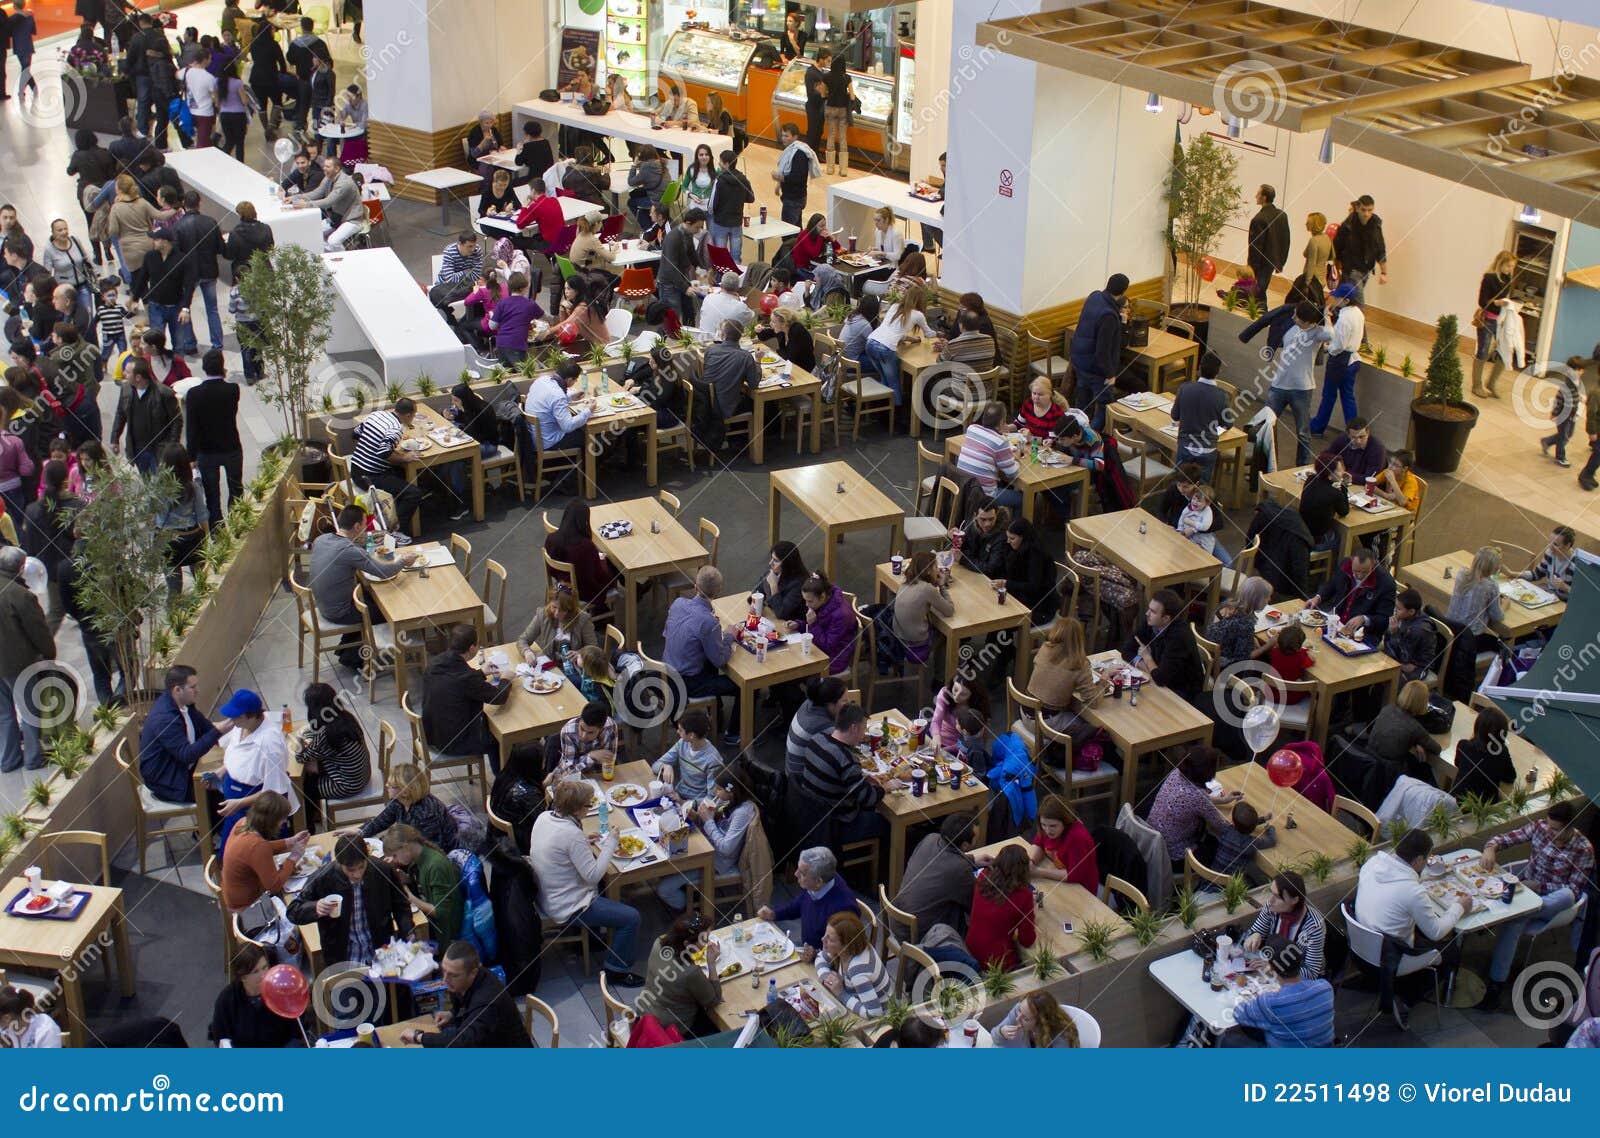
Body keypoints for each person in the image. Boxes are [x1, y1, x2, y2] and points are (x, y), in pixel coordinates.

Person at [1477, 800, 1595, 1010]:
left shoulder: (1583, 849)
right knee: (1515, 923)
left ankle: (1515, 913)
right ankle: (1496, 987)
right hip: (1526, 896)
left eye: (1556, 829)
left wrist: (1539, 886)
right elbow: (1505, 838)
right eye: (1549, 826)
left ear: (1570, 828)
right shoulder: (1540, 827)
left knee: (1566, 895)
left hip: (1556, 903)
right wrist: (1490, 848)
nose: (1550, 832)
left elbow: (1575, 889)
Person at [528, 779, 643, 986]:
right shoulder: (571, 835)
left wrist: (583, 841)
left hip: (545, 893)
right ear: (577, 809)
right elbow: (593, 876)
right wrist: (611, 844)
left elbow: (560, 848)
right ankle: (616, 970)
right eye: (588, 805)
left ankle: (596, 938)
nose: (590, 808)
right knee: (631, 918)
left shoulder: (544, 818)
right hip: (568, 905)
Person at [1355, 828, 1468, 1028]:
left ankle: (1404, 987)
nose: (1425, 864)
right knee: (1451, 951)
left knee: (1421, 930)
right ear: (1417, 860)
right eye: (1425, 860)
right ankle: (1408, 1000)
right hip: (1390, 957)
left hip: (1360, 946)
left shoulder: (1372, 864)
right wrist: (1459, 907)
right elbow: (1436, 931)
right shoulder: (1412, 891)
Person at [308, 504, 415, 669]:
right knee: (390, 608)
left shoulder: (321, 539)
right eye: (364, 524)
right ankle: (355, 656)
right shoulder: (348, 549)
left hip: (323, 604)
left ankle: (347, 649)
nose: (366, 528)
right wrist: (403, 561)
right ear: (357, 526)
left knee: (372, 595)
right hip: (340, 612)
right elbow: (383, 572)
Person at [285, 833, 413, 967]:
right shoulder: (323, 878)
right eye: (351, 870)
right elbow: (293, 911)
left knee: (396, 985)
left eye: (361, 867)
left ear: (367, 858)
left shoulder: (381, 870)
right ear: (339, 863)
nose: (357, 874)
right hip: (344, 956)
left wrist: (407, 932)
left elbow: (401, 905)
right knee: (353, 987)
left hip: (382, 950)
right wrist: (315, 907)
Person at [794, 702, 901, 844]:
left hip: (811, 814)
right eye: (863, 729)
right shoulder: (847, 761)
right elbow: (868, 799)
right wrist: (886, 787)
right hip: (835, 824)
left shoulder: (816, 739)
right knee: (890, 823)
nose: (864, 735)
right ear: (853, 728)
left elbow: (840, 778)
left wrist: (863, 780)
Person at [659, 767, 759, 912]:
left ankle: (688, 909)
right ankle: (690, 891)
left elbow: (726, 848)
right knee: (667, 853)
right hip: (706, 846)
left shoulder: (743, 812)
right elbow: (711, 824)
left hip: (717, 861)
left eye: (718, 788)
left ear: (731, 791)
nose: (714, 791)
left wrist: (708, 821)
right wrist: (691, 811)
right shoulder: (725, 800)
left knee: (664, 889)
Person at [213, 687, 296, 855]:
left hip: (257, 811)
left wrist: (239, 803)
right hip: (235, 807)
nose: (230, 719)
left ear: (248, 716)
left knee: (254, 856)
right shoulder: (240, 727)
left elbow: (274, 790)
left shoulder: (270, 743)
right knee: (229, 854)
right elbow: (234, 755)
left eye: (234, 716)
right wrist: (220, 772)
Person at [421, 623, 510, 771]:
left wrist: (481, 673)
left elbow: (456, 681)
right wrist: (506, 680)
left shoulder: (435, 662)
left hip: (431, 733)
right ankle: (502, 779)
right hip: (453, 742)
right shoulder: (467, 678)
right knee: (498, 738)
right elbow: (499, 697)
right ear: (472, 648)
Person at [1253, 300, 1331, 466]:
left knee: (1303, 432)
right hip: (1279, 384)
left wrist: (1327, 317)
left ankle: (1302, 467)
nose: (1294, 318)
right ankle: (1262, 466)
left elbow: (1332, 335)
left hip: (1302, 389)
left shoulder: (1317, 333)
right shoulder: (1290, 326)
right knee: (1265, 426)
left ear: (1308, 322)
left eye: (1298, 317)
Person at [138, 664, 229, 803]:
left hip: (184, 768)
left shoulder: (185, 704)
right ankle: (219, 824)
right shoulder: (164, 718)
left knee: (228, 775)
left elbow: (207, 728)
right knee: (226, 788)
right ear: (177, 690)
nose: (197, 690)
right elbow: (186, 754)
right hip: (171, 783)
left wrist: (233, 724)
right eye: (192, 687)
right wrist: (218, 731)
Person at [1223, 938, 1334, 1048]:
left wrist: (1254, 1000)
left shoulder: (1270, 1002)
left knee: (1227, 1040)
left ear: (1270, 967)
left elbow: (1238, 1014)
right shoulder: (1325, 987)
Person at [893, 811, 989, 933]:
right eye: (976, 839)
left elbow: (943, 859)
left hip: (898, 919)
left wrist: (972, 859)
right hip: (920, 934)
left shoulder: (930, 838)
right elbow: (974, 904)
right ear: (965, 845)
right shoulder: (960, 868)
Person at [348, 395, 431, 532]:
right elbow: (383, 453)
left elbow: (355, 434)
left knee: (401, 473)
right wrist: (405, 458)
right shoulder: (395, 429)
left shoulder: (376, 415)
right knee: (413, 493)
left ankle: (393, 512)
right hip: (370, 477)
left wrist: (369, 448)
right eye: (413, 415)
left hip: (355, 468)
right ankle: (396, 531)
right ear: (409, 415)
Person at [634, 917, 726, 1037]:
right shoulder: (690, 972)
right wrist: (711, 963)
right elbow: (714, 1000)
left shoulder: (659, 942)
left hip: (645, 1011)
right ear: (687, 944)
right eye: (704, 939)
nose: (708, 942)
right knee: (722, 1023)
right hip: (671, 1028)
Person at [182, 349, 243, 525]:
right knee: (236, 489)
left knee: (212, 496)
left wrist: (191, 456)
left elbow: (192, 428)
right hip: (230, 446)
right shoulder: (232, 390)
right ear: (222, 368)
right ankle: (238, 522)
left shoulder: (194, 394)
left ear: (204, 368)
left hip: (206, 452)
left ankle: (218, 530)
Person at [1148, 744, 1239, 862]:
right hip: (1172, 855)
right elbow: (1222, 827)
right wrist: (1247, 822)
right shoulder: (1198, 796)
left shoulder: (1176, 773)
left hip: (1152, 841)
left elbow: (1189, 802)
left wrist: (1223, 800)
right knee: (1218, 846)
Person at [219, 791, 308, 910]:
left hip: (232, 895)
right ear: (272, 821)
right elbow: (274, 886)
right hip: (248, 906)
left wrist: (290, 841)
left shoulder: (243, 822)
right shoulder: (257, 846)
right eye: (282, 819)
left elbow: (260, 849)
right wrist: (294, 857)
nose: (284, 823)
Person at [382, 823, 464, 946]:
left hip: (445, 934)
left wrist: (411, 898)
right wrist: (407, 879)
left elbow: (442, 912)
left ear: (405, 847)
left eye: (394, 855)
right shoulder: (419, 857)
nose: (394, 860)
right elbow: (424, 884)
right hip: (433, 923)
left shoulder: (435, 866)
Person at [1119, 589, 1206, 702]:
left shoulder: (1179, 637)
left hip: (1181, 693)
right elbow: (1126, 651)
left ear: (1166, 618)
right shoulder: (1151, 621)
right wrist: (1148, 667)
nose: (1147, 613)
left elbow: (1161, 679)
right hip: (1158, 681)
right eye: (1149, 609)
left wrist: (1147, 657)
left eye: (1153, 611)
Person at [298, 681, 371, 812]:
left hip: (348, 785)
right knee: (312, 768)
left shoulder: (328, 734)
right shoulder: (346, 717)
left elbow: (302, 757)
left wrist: (300, 741)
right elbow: (314, 737)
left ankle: (308, 825)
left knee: (303, 788)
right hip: (362, 775)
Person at [209, 944, 301, 1047]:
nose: (263, 975)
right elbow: (220, 1033)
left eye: (264, 967)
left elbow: (296, 1032)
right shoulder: (227, 999)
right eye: (255, 972)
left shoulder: (281, 990)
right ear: (243, 977)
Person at [1242, 870, 1327, 980]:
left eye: (1278, 897)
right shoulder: (1272, 907)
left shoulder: (1314, 926)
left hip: (1299, 978)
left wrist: (1274, 966)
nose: (1270, 900)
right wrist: (1255, 934)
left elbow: (1311, 973)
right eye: (1271, 893)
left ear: (1294, 900)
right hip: (1273, 968)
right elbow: (1256, 931)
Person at [1068, 273, 1127, 430]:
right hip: (1096, 368)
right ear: (1123, 292)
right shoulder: (1109, 315)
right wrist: (1110, 374)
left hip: (1079, 359)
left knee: (1083, 405)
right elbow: (1103, 350)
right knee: (1104, 407)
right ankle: (1091, 440)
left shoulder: (1094, 296)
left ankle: (1077, 437)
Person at [964, 843, 1036, 970]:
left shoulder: (984, 876)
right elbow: (1027, 940)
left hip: (971, 949)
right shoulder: (1024, 895)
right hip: (998, 962)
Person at [1308, 282, 1365, 437]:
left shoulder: (1345, 318)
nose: (1335, 299)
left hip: (1340, 360)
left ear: (1346, 301)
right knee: (1348, 397)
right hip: (1353, 359)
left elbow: (1338, 344)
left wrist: (1328, 347)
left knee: (1329, 395)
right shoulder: (1358, 313)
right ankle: (1354, 431)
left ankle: (1318, 426)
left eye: (1338, 297)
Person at [360, 763, 459, 851]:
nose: (386, 785)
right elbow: (381, 821)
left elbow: (430, 849)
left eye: (391, 785)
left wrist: (395, 855)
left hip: (438, 851)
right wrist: (359, 832)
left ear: (405, 792)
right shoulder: (398, 801)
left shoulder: (427, 813)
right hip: (409, 846)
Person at [862, 283, 931, 409]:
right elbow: (928, 333)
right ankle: (897, 412)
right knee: (894, 383)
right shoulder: (918, 315)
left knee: (884, 378)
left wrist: (912, 340)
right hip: (885, 349)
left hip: (870, 342)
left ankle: (884, 410)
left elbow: (896, 331)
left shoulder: (895, 307)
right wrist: (940, 334)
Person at [544, 499, 618, 609]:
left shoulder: (551, 539)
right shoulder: (585, 546)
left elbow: (552, 570)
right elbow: (597, 577)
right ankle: (630, 593)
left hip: (563, 584)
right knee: (615, 566)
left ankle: (637, 589)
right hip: (584, 591)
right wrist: (602, 561)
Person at [815, 909, 891, 1016]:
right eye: (825, 934)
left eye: (830, 939)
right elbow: (820, 957)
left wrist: (841, 993)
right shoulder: (849, 948)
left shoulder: (858, 972)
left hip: (879, 1018)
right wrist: (827, 979)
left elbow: (874, 1014)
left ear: (845, 945)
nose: (823, 939)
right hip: (857, 1001)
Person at [1307, 545, 1395, 635]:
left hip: (1362, 634)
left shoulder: (1386, 584)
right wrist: (1318, 597)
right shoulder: (1345, 564)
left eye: (1364, 572)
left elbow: (1384, 619)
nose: (1360, 576)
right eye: (1356, 571)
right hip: (1336, 622)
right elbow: (1332, 585)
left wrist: (1364, 619)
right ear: (1352, 562)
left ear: (1373, 565)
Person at [887, 551, 953, 671]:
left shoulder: (905, 583)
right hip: (915, 644)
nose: (938, 570)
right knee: (947, 637)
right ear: (928, 571)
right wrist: (942, 585)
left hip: (897, 637)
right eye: (936, 567)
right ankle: (940, 679)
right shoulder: (927, 589)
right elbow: (949, 611)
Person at [954, 402, 1022, 510]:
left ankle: (998, 518)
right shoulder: (1000, 442)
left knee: (1003, 484)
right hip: (984, 494)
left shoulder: (972, 428)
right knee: (1021, 499)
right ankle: (1014, 527)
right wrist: (1016, 458)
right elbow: (1012, 474)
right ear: (1001, 422)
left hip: (963, 488)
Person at [1471, 250, 1517, 398]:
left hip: (1501, 320)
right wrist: (1497, 303)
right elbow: (1482, 302)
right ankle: (1476, 385)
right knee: (1483, 352)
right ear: (1500, 263)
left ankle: (1492, 382)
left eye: (1512, 267)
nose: (1511, 269)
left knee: (1505, 351)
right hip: (1487, 319)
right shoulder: (1489, 278)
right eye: (1509, 266)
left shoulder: (1507, 278)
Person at [1030, 795, 1098, 892]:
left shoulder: (1078, 838)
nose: (1047, 831)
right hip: (1058, 878)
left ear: (1065, 821)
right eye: (1043, 825)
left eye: (1053, 826)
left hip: (1081, 889)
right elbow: (1039, 843)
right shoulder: (1048, 828)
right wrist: (1031, 862)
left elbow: (1074, 875)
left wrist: (1038, 871)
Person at [652, 708, 722, 803]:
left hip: (696, 803)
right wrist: (665, 766)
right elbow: (655, 765)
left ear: (692, 735)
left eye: (680, 730)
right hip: (678, 794)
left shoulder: (713, 759)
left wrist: (682, 802)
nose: (677, 731)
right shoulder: (682, 744)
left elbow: (711, 799)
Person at [1450, 704, 1515, 804]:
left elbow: (1457, 763)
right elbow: (1510, 777)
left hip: (1457, 803)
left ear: (1477, 727)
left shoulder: (1464, 745)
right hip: (1484, 809)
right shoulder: (1502, 752)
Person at [793, 570, 855, 676]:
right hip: (819, 650)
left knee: (793, 673)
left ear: (822, 597)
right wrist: (799, 624)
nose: (807, 605)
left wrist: (813, 624)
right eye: (805, 600)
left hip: (834, 659)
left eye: (810, 601)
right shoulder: (823, 601)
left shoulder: (841, 615)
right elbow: (818, 626)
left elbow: (827, 646)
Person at [517, 585, 597, 663]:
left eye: (562, 610)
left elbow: (593, 649)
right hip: (549, 665)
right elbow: (523, 640)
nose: (556, 613)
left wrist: (580, 653)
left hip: (575, 667)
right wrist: (527, 652)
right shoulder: (542, 615)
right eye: (554, 607)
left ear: (570, 609)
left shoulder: (583, 619)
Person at [1206, 576, 1273, 668]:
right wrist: (1268, 645)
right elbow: (1243, 658)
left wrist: (1252, 638)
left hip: (1209, 652)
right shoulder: (1245, 624)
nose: (1269, 600)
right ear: (1257, 600)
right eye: (1267, 597)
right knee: (1268, 660)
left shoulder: (1227, 604)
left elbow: (1230, 632)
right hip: (1223, 664)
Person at [488, 741, 543, 852]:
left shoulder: (504, 777)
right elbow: (544, 820)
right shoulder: (529, 794)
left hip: (501, 840)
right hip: (524, 843)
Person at [786, 676, 846, 778]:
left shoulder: (809, 703)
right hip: (804, 784)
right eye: (844, 701)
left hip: (792, 774)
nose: (847, 704)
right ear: (830, 704)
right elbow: (842, 757)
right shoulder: (824, 727)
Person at [1447, 545, 1504, 652]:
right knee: (1501, 643)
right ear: (1494, 568)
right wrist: (1504, 605)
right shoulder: (1491, 585)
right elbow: (1497, 617)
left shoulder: (1461, 574)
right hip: (1471, 639)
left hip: (1451, 630)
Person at [551, 700, 622, 782]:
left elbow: (608, 761)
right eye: (582, 728)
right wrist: (591, 756)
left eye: (590, 732)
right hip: (574, 778)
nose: (583, 736)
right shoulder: (568, 732)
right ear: (580, 719)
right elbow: (570, 770)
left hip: (599, 775)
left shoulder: (610, 728)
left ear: (601, 728)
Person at [701, 319, 759, 419]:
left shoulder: (711, 349)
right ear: (740, 336)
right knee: (763, 404)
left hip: (706, 403)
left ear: (724, 335)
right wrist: (757, 361)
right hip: (726, 408)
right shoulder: (745, 356)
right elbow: (754, 385)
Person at [1382, 587, 1437, 684]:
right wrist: (1391, 632)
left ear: (1411, 611)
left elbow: (1405, 657)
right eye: (1395, 607)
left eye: (1399, 609)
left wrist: (1394, 634)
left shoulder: (1418, 630)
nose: (1395, 610)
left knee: (1388, 681)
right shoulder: (1404, 617)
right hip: (1401, 658)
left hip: (1417, 666)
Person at [771, 121, 821, 227]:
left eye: (786, 136)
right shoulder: (790, 150)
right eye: (782, 135)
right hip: (792, 196)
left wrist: (780, 178)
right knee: (796, 229)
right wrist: (779, 184)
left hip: (794, 198)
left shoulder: (799, 154)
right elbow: (787, 170)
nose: (783, 138)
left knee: (788, 231)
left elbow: (798, 178)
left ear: (795, 137)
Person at [707, 150, 754, 261]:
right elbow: (751, 198)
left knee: (720, 256)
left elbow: (711, 205)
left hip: (720, 223)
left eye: (721, 162)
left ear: (727, 164)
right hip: (737, 223)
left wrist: (713, 213)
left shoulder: (719, 181)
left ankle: (721, 278)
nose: (719, 164)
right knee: (736, 256)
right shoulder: (743, 179)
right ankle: (736, 277)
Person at [1213, 800, 1276, 878]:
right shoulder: (1251, 843)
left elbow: (1242, 823)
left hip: (1212, 874)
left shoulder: (1227, 829)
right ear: (1253, 828)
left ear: (1233, 821)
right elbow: (1272, 841)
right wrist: (1271, 828)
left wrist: (1264, 819)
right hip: (1231, 884)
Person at [995, 992, 1082, 1048]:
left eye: (1026, 1019)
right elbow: (995, 1037)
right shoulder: (1020, 1009)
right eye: (1019, 1011)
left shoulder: (1062, 1039)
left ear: (1041, 1023)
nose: (1018, 1018)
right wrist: (1001, 1032)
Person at [1246, 184, 1291, 292]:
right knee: (1261, 290)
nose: (1255, 196)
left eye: (1258, 193)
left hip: (1260, 263)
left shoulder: (1258, 219)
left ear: (1264, 197)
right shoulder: (1282, 215)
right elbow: (1285, 241)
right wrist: (1280, 262)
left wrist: (1251, 267)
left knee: (1256, 292)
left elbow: (1256, 246)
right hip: (1272, 261)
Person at [931, 675, 989, 751]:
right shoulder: (945, 693)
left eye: (963, 694)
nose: (956, 697)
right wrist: (936, 736)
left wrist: (945, 750)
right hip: (938, 736)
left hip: (961, 747)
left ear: (972, 695)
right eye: (955, 690)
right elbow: (936, 720)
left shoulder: (977, 710)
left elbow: (972, 742)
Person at [1327, 418, 1387, 484]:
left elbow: (1370, 478)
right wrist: (1337, 463)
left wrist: (1343, 475)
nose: (1358, 441)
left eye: (1361, 437)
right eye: (1353, 437)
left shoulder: (1377, 449)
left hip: (1363, 486)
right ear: (1348, 434)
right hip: (1342, 479)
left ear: (1368, 433)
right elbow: (1327, 456)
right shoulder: (1342, 438)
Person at [822, 54, 854, 176]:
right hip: (843, 110)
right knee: (842, 137)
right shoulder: (847, 78)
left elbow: (822, 94)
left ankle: (830, 168)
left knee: (831, 135)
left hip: (830, 108)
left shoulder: (826, 77)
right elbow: (852, 96)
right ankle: (843, 169)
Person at [626, 144, 670, 230]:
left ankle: (648, 227)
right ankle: (652, 220)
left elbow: (631, 182)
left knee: (631, 202)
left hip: (655, 200)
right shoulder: (662, 163)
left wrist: (634, 165)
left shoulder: (647, 167)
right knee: (635, 194)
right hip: (666, 197)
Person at [698, 272, 753, 336]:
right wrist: (739, 301)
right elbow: (752, 317)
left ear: (721, 286)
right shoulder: (741, 307)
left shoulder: (708, 297)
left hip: (702, 341)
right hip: (724, 344)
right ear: (737, 288)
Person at [1175, 483, 1218, 558]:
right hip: (1191, 538)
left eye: (1199, 501)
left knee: (1201, 557)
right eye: (1194, 499)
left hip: (1204, 540)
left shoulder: (1207, 512)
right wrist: (1180, 530)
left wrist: (1191, 524)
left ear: (1207, 503)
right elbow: (1182, 518)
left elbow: (1204, 526)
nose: (1194, 502)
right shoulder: (1189, 507)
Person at [790, 213, 838, 279]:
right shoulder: (804, 235)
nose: (824, 228)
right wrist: (820, 237)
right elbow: (814, 254)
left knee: (832, 275)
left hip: (813, 264)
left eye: (824, 225)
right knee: (825, 279)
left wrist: (832, 238)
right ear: (813, 226)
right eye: (821, 226)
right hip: (802, 267)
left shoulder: (820, 234)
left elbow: (837, 248)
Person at [769, 305, 815, 371]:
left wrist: (777, 351)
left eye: (773, 322)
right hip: (792, 367)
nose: (771, 324)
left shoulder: (797, 331)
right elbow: (764, 336)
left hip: (805, 370)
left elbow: (790, 358)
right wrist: (758, 331)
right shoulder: (783, 330)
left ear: (784, 323)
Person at [801, 49, 829, 152]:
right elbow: (812, 93)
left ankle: (815, 155)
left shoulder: (821, 72)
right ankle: (809, 155)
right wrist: (824, 93)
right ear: (821, 60)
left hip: (820, 107)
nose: (828, 63)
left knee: (818, 132)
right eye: (827, 61)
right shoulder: (811, 73)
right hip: (814, 107)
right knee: (813, 133)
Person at [514, 121, 555, 186]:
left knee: (512, 183)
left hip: (533, 180)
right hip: (547, 178)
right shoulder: (546, 142)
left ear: (528, 135)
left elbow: (518, 162)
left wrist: (519, 150)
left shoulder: (527, 146)